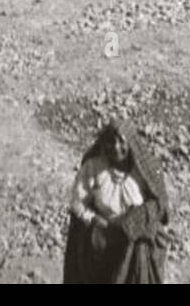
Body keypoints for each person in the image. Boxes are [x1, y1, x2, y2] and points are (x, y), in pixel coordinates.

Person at [63, 120, 169, 284]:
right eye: (111, 141)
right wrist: (93, 219)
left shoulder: (143, 171)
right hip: (102, 236)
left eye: (122, 141)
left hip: (133, 239)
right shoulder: (94, 167)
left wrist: (137, 219)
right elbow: (77, 202)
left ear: (131, 144)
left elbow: (160, 205)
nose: (116, 147)